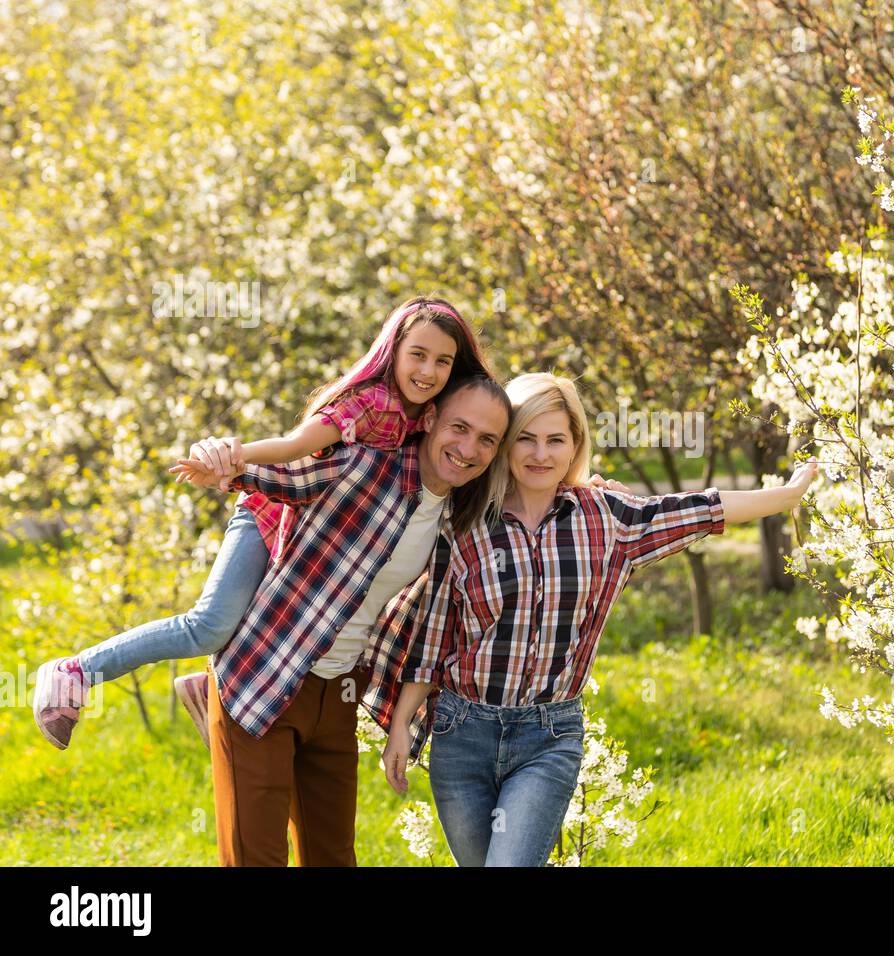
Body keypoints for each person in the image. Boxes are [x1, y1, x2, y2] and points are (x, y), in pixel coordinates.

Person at [366, 372, 817, 866]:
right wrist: (401, 725)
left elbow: (700, 509)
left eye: (555, 439)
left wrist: (787, 496)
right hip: (462, 733)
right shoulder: (466, 520)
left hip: (548, 737)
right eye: (526, 439)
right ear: (506, 445)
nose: (540, 454)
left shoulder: (607, 518)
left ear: (575, 443)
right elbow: (433, 638)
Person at [31, 296, 488, 751]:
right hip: (269, 515)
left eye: (443, 361)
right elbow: (295, 446)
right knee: (210, 625)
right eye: (418, 355)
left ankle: (205, 688)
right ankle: (76, 670)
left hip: (315, 531)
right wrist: (235, 456)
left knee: (262, 625)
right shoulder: (374, 403)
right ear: (393, 353)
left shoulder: (429, 414)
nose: (428, 371)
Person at [178, 374, 510, 866]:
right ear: (433, 418)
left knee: (332, 858)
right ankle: (211, 696)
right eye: (459, 427)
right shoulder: (370, 464)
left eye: (487, 439)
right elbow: (291, 473)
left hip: (338, 692)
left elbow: (536, 492)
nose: (468, 448)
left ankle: (202, 696)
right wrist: (227, 465)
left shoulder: (463, 515)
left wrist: (588, 488)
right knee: (256, 859)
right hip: (263, 672)